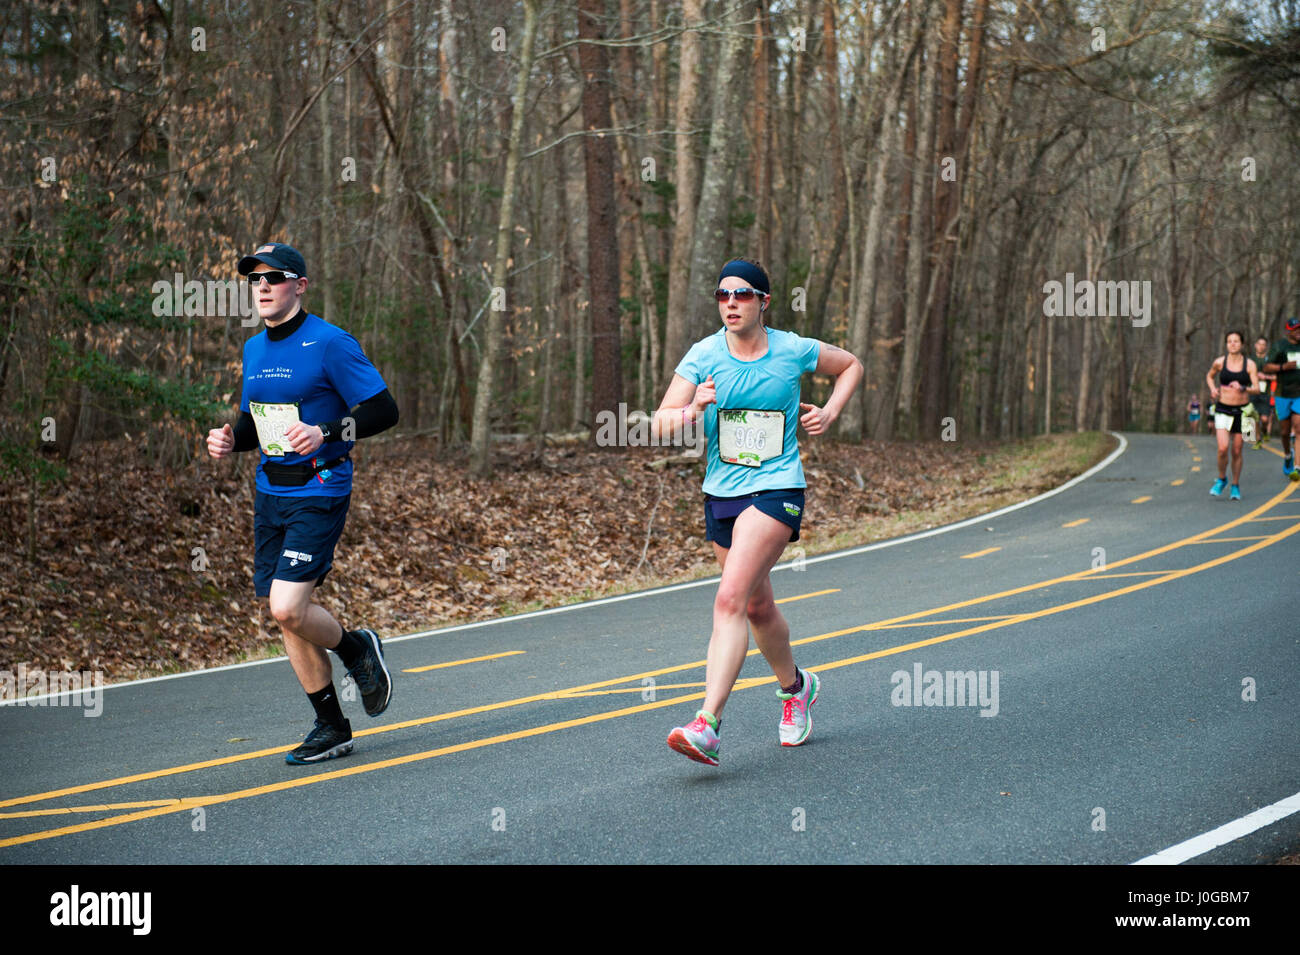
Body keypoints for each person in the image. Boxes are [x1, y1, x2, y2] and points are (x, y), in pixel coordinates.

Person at [652, 258, 863, 766]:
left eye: (742, 295)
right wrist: (692, 410)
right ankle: (797, 689)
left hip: (776, 490)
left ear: (763, 302)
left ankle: (707, 724)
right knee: (755, 607)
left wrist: (831, 411)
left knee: (728, 600)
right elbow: (659, 425)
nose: (731, 303)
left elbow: (852, 364)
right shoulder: (703, 356)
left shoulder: (792, 350)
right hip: (721, 493)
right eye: (723, 295)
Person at [206, 242, 399, 764]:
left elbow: (384, 410)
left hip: (320, 487)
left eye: (274, 277)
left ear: (300, 285)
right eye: (254, 280)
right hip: (270, 493)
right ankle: (331, 726)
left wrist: (328, 430)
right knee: (285, 614)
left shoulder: (330, 343)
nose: (262, 287)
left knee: (287, 605)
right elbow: (255, 425)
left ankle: (357, 649)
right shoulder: (253, 350)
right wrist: (231, 440)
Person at [1205, 330, 1259, 501]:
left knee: (1237, 450)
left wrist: (1244, 388)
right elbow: (1209, 376)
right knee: (1222, 448)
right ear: (1226, 344)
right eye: (1229, 341)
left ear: (1242, 344)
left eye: (1236, 341)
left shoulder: (1250, 365)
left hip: (1244, 411)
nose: (1233, 344)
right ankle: (1222, 479)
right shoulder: (1220, 362)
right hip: (1223, 409)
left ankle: (1235, 485)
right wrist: (1213, 389)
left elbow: (1257, 388)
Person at [1262, 318, 1300, 480]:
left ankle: (1297, 467)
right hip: (1282, 394)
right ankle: (1287, 456)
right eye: (1295, 329)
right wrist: (1283, 367)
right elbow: (1266, 367)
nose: (1299, 331)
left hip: (1299, 394)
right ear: (1288, 331)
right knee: (1284, 432)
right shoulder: (1279, 346)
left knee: (1298, 429)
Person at [1251, 336, 1274, 445]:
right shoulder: (1250, 360)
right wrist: (1255, 376)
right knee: (1255, 417)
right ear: (1255, 345)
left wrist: (1265, 377)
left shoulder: (1270, 360)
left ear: (1266, 347)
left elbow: (1277, 376)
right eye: (1259, 344)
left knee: (1264, 419)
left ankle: (1265, 432)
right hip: (1253, 391)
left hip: (1266, 393)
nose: (1261, 346)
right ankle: (1258, 439)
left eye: (1263, 344)